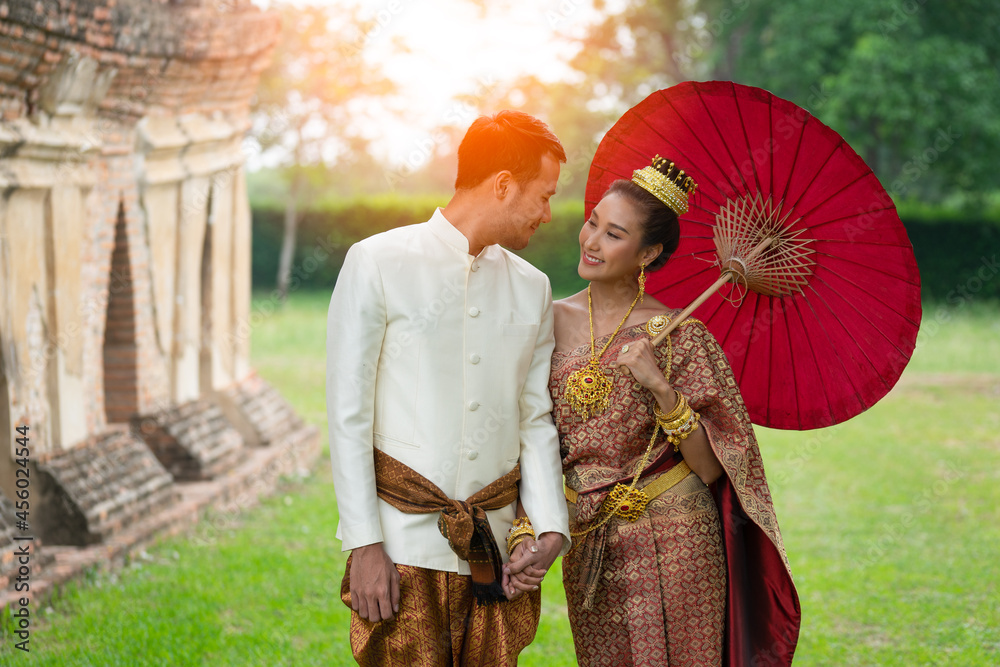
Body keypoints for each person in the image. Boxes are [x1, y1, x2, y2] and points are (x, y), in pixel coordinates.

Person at [326, 110, 572, 666]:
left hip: (495, 555)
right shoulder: (377, 262)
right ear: (504, 185)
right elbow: (348, 415)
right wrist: (364, 543)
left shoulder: (532, 287)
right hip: (401, 547)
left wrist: (552, 527)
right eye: (543, 195)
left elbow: (534, 419)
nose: (549, 214)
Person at [549, 156, 801, 666]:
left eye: (614, 234)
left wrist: (662, 388)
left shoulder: (682, 334)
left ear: (648, 253)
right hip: (590, 537)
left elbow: (713, 467)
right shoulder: (548, 319)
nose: (592, 241)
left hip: (678, 533)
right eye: (592, 222)